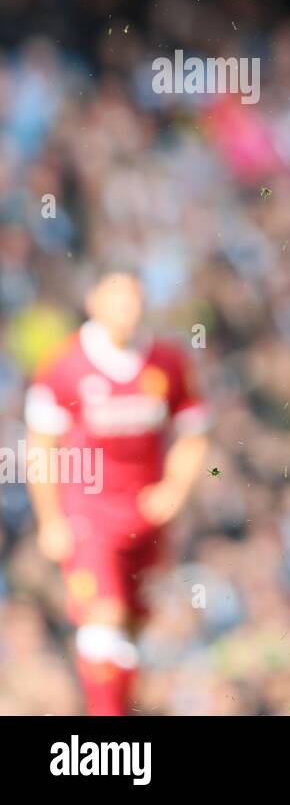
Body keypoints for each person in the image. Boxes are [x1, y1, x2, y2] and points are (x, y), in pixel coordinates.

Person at [25, 269, 209, 715]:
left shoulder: (166, 363)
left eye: (135, 298)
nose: (129, 308)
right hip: (88, 512)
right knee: (102, 617)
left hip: (145, 512)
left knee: (132, 627)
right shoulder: (64, 364)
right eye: (119, 297)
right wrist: (50, 520)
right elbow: (41, 445)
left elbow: (194, 433)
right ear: (94, 300)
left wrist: (175, 489)